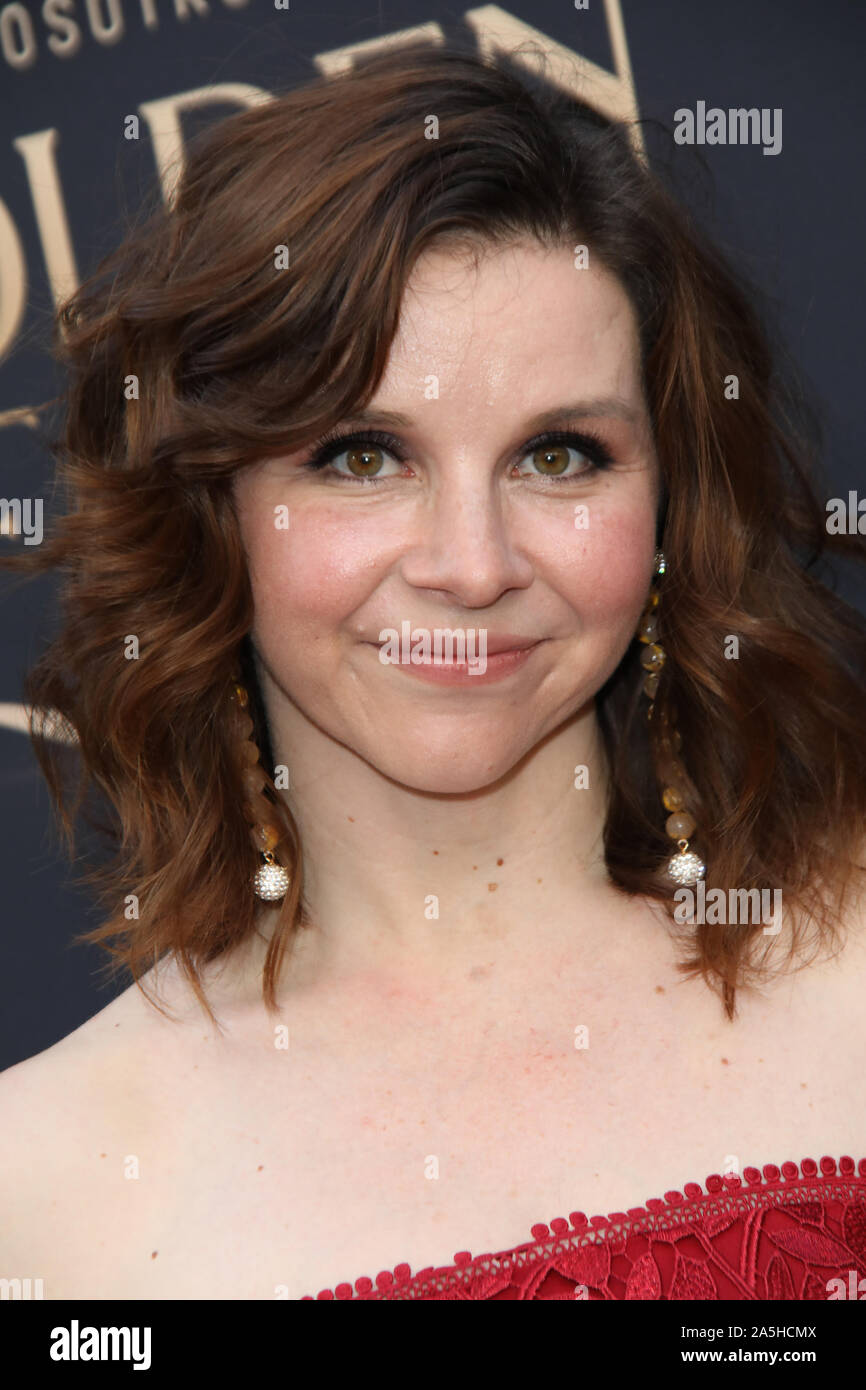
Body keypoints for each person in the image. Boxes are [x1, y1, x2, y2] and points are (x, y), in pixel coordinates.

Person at [1, 43, 865, 1302]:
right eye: (360, 457)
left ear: (672, 501)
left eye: (559, 455)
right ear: (211, 509)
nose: (472, 565)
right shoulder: (42, 1198)